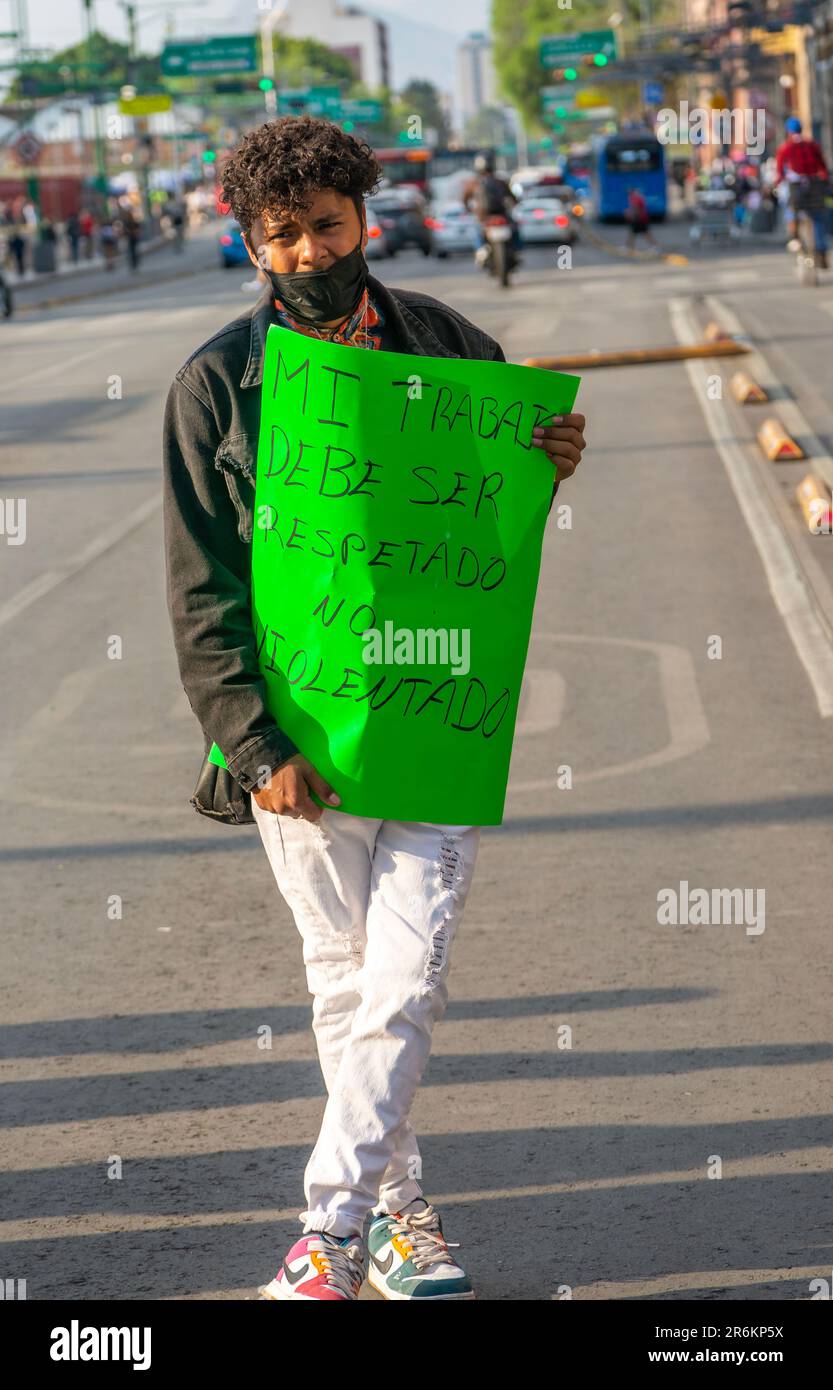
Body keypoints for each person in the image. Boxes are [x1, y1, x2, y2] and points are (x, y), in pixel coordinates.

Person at [162, 116, 587, 1303]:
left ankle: (326, 1232)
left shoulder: (454, 344)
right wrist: (256, 748)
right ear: (250, 241)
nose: (306, 252)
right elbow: (199, 588)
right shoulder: (217, 386)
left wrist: (544, 459)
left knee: (405, 983)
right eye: (280, 235)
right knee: (345, 984)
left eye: (326, 226)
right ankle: (398, 1220)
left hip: (436, 721)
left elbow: (484, 536)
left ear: (366, 218)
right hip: (300, 749)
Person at [775, 116, 829, 268]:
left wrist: (778, 180)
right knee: (817, 217)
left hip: (796, 187)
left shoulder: (786, 147)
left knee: (791, 208)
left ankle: (795, 238)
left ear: (788, 131)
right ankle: (822, 251)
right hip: (814, 186)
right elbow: (822, 165)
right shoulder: (811, 144)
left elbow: (780, 170)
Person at [462, 151, 521, 264]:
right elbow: (513, 198)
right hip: (501, 215)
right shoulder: (500, 181)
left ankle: (480, 250)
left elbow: (464, 200)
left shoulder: (473, 183)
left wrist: (468, 209)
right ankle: (517, 250)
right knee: (515, 229)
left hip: (483, 217)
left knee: (477, 231)